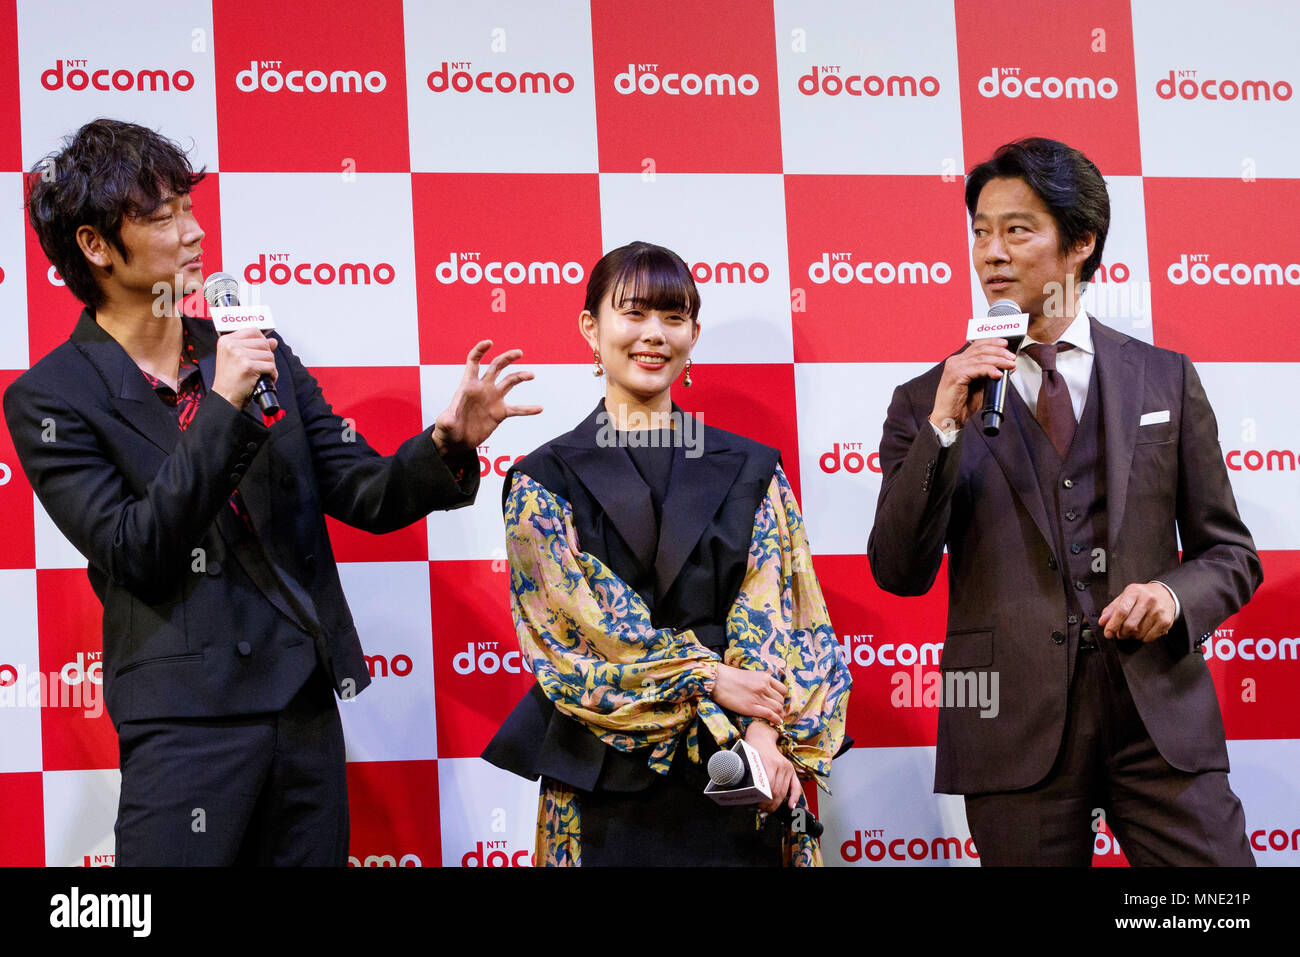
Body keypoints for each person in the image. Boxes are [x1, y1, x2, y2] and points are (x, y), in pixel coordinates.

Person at [4, 118, 540, 865]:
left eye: (190, 207)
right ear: (95, 246)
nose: (193, 232)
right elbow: (137, 549)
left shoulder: (253, 346)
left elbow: (363, 491)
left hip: (301, 703)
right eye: (163, 217)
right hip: (186, 722)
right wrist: (222, 405)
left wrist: (448, 443)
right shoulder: (52, 397)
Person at [868, 137, 1261, 865]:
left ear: (1080, 242)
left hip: (1159, 714)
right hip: (1009, 721)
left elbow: (1229, 552)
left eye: (1017, 229)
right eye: (980, 231)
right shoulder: (928, 398)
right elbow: (898, 569)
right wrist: (944, 426)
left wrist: (1174, 599)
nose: (991, 252)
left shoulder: (1163, 379)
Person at [482, 241, 851, 866]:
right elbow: (577, 637)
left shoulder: (751, 468)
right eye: (633, 314)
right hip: (602, 776)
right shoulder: (544, 479)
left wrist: (767, 730)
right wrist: (708, 677)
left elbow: (782, 613)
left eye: (674, 317)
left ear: (693, 334)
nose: (654, 334)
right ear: (590, 329)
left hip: (743, 776)